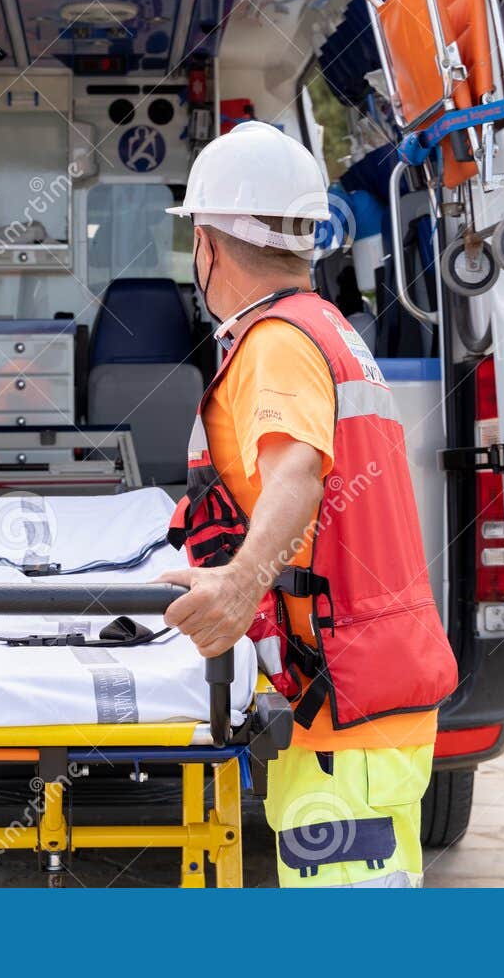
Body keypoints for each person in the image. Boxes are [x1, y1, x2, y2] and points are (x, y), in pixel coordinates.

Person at [158, 121, 459, 888]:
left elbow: (297, 470)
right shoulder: (328, 330)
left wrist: (239, 583)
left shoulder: (277, 342)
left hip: (347, 714)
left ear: (209, 245)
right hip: (353, 695)